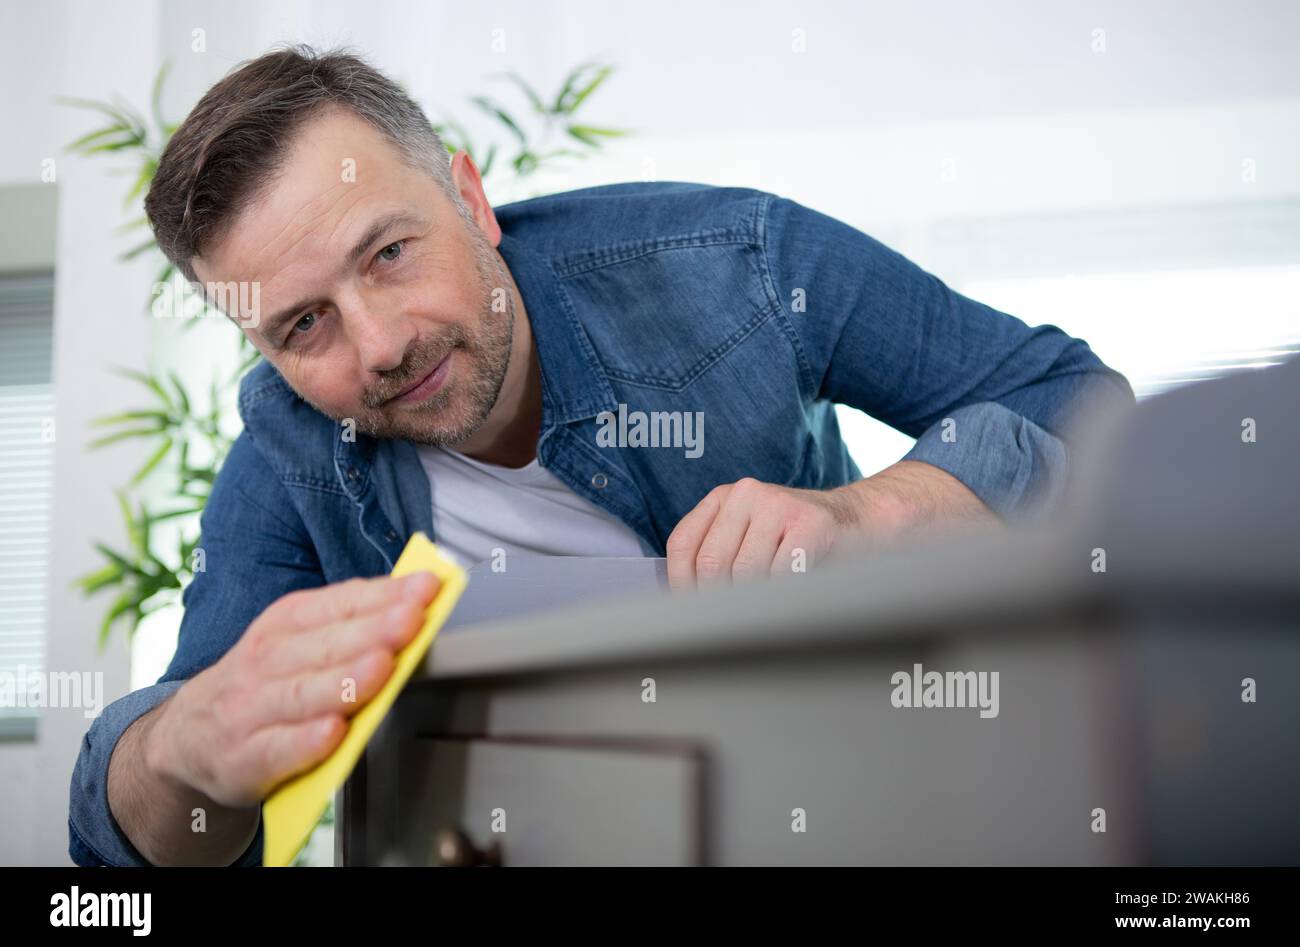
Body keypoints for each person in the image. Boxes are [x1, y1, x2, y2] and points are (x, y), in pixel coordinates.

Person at [68, 46, 1133, 866]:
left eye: (389, 253)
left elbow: (1073, 398)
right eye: (304, 325)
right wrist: (176, 752)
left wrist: (875, 511)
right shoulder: (287, 450)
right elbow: (166, 844)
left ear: (469, 197)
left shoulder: (742, 263)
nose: (380, 344)